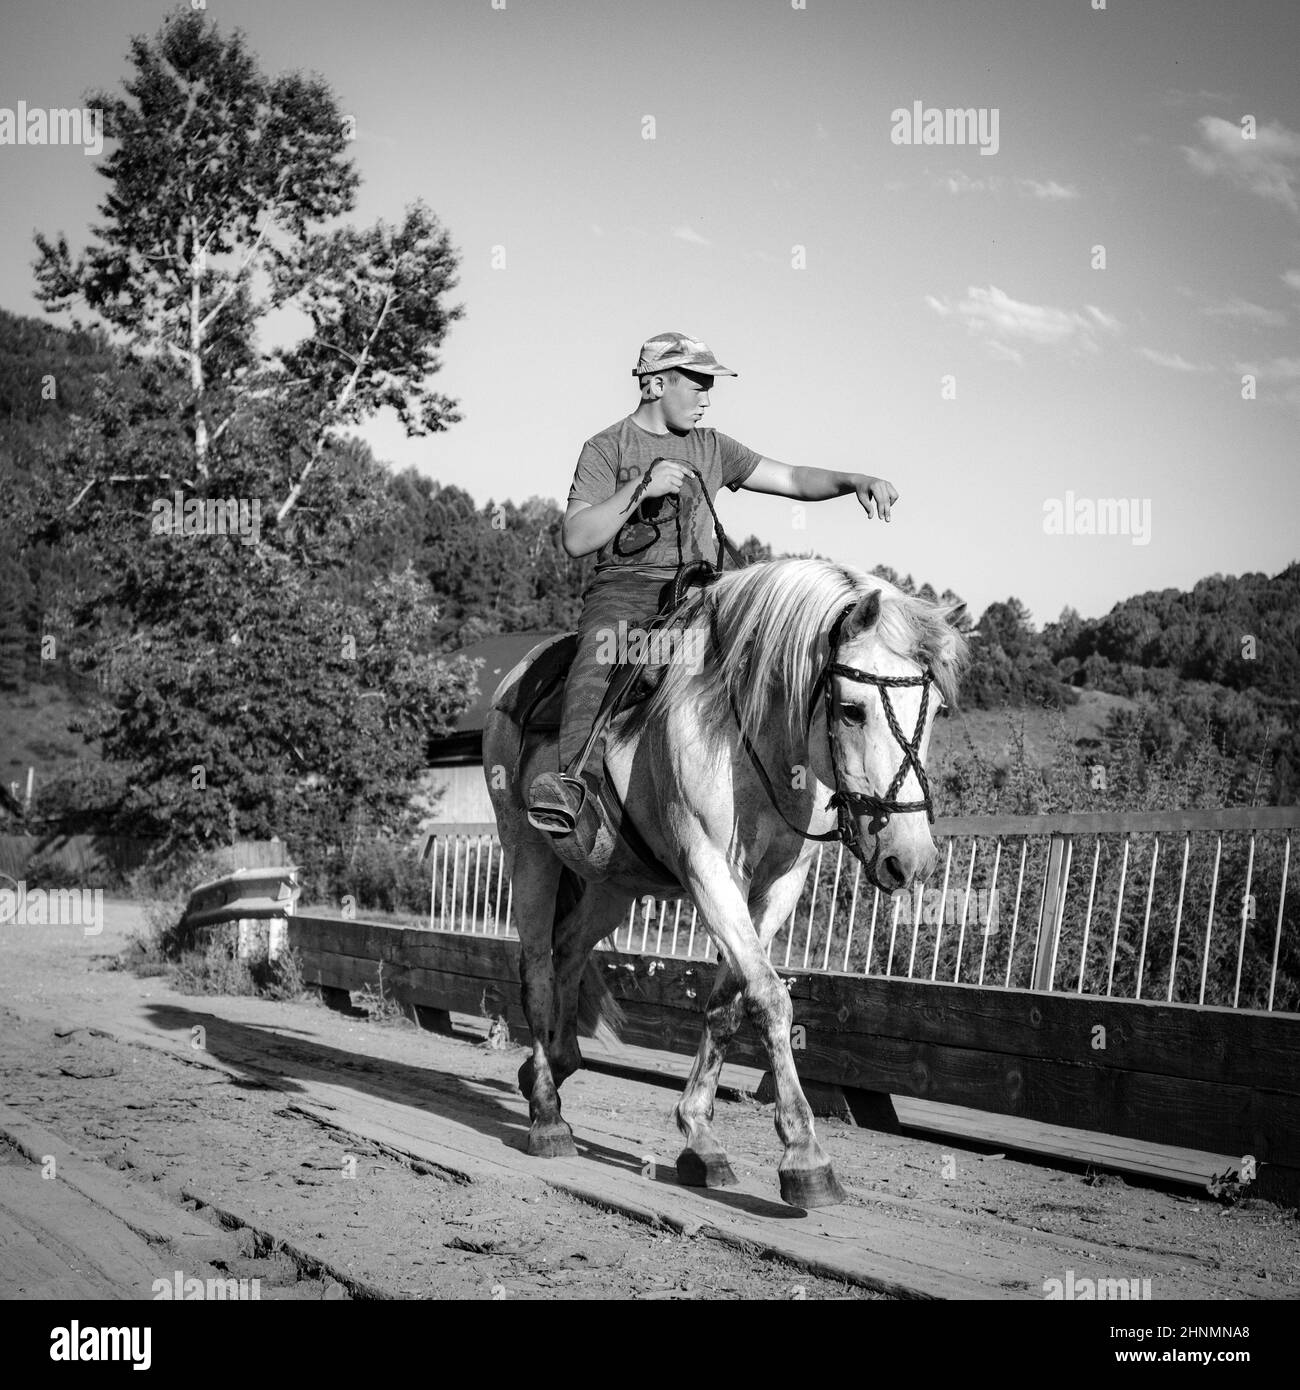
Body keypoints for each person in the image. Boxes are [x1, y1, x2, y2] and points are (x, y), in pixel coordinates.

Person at [526, 330, 899, 834]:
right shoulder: (605, 448)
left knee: (783, 656)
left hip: (707, 590)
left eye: (710, 385)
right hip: (626, 590)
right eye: (697, 383)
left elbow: (790, 479)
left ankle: (810, 791)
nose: (707, 396)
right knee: (599, 655)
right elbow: (575, 538)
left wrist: (854, 480)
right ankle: (571, 787)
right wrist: (641, 488)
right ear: (655, 385)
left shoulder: (713, 446)